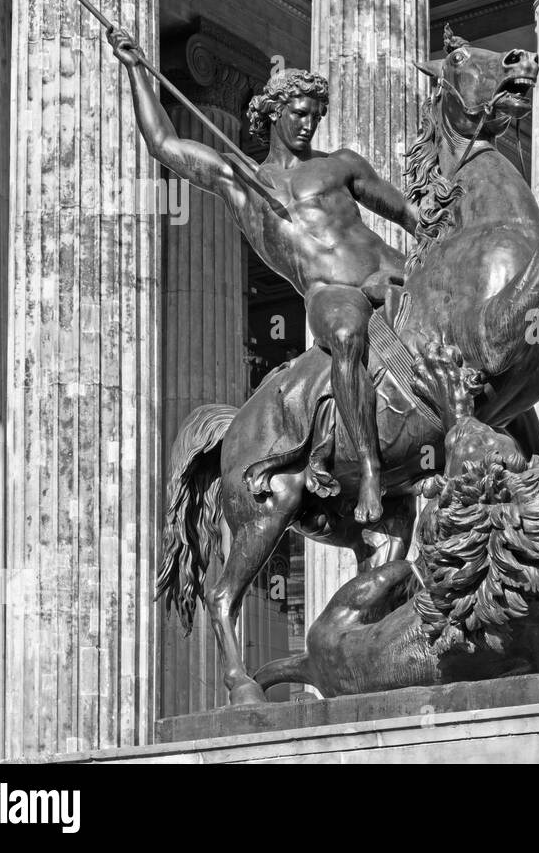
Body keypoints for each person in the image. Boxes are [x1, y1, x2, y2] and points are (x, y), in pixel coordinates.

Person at [110, 27, 418, 524]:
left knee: (476, 322)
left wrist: (442, 235)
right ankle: (369, 468)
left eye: (316, 116)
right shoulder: (242, 182)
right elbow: (163, 143)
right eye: (300, 113)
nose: (308, 125)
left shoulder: (340, 165)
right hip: (333, 291)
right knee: (344, 336)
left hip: (390, 268)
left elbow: (403, 210)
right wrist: (136, 71)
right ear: (274, 112)